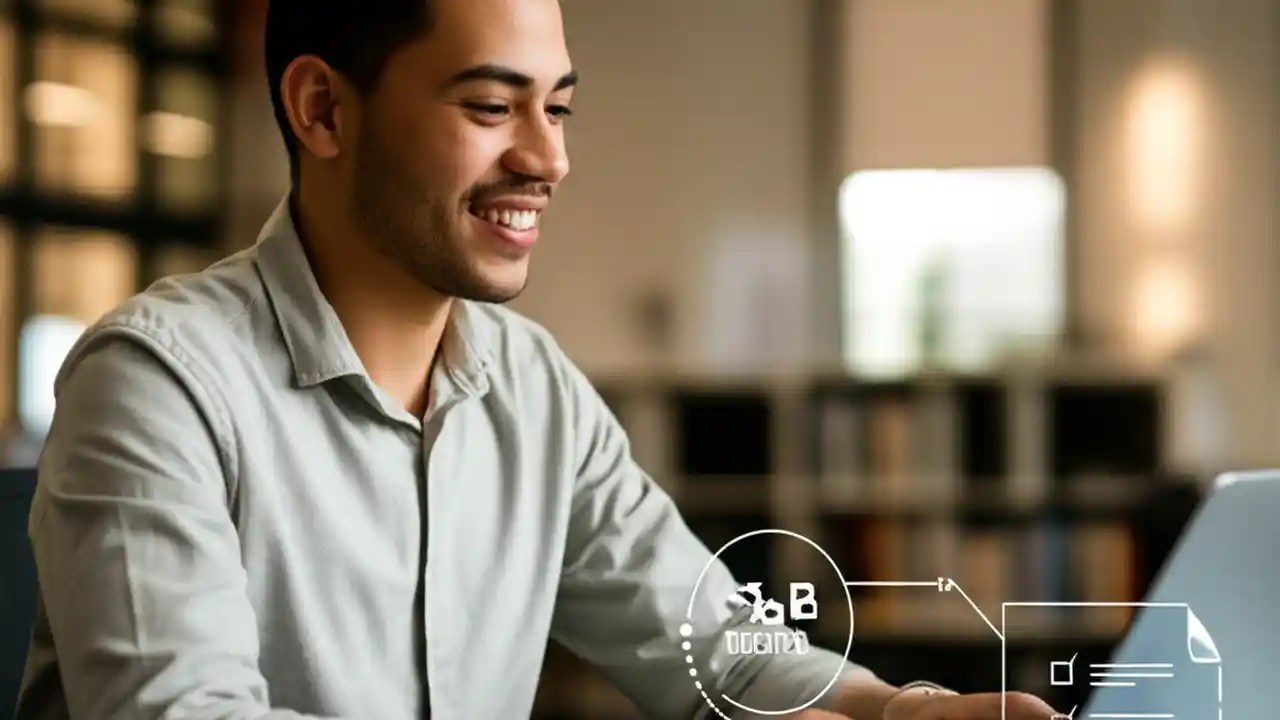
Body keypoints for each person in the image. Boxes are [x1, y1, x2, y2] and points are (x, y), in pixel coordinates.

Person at [14, 1, 1059, 718]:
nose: (547, 157)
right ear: (323, 110)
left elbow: (713, 648)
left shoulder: (531, 389)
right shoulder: (156, 384)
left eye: (555, 107)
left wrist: (891, 709)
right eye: (488, 106)